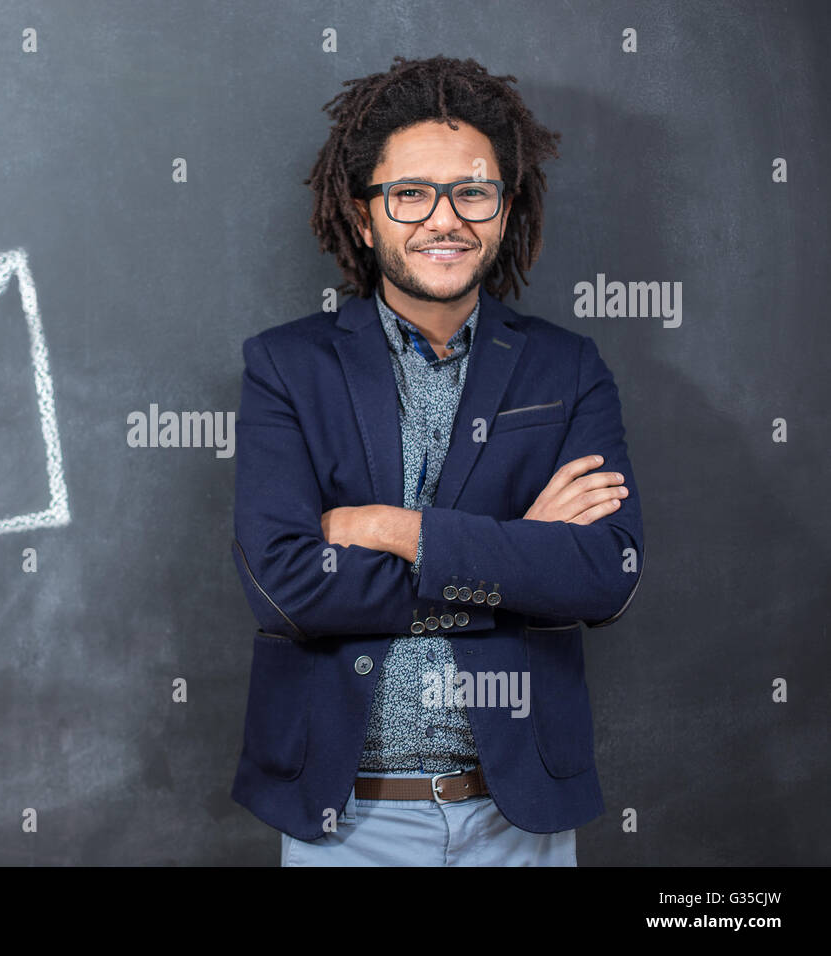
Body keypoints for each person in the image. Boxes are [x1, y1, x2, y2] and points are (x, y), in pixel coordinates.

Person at [228, 54, 644, 866]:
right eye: (410, 193)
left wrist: (387, 529)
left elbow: (606, 572)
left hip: (516, 819)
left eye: (471, 191)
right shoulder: (285, 368)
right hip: (344, 822)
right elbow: (286, 589)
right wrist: (517, 553)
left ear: (505, 206)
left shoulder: (569, 369)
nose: (442, 219)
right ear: (361, 213)